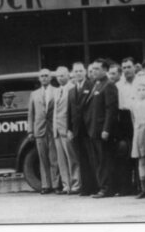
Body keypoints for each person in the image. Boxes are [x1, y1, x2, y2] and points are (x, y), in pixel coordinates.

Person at [84, 59, 119, 198]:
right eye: (92, 69)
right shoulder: (95, 84)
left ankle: (107, 188)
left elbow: (111, 110)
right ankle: (102, 186)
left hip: (101, 130)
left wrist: (106, 129)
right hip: (92, 129)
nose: (94, 71)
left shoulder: (108, 85)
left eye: (97, 69)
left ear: (105, 70)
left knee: (105, 160)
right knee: (98, 160)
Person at [27, 69, 60, 194]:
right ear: (39, 79)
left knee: (54, 158)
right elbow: (31, 114)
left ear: (50, 78)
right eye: (42, 76)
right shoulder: (34, 94)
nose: (44, 78)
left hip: (53, 129)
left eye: (46, 76)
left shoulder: (56, 91)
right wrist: (30, 131)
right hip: (39, 130)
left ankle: (56, 184)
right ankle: (46, 185)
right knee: (43, 158)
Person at [70, 61, 97, 196]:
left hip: (88, 129)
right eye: (76, 71)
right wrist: (70, 129)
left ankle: (95, 187)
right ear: (72, 73)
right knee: (82, 160)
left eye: (80, 71)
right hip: (77, 131)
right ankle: (86, 187)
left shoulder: (91, 86)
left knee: (92, 159)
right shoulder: (72, 90)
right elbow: (70, 112)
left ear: (85, 72)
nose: (78, 73)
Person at [53, 66, 81, 195]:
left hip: (67, 128)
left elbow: (73, 111)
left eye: (62, 75)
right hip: (57, 130)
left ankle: (76, 184)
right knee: (61, 160)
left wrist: (71, 129)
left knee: (72, 158)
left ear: (68, 76)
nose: (60, 78)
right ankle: (66, 185)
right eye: (58, 76)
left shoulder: (72, 88)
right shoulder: (57, 91)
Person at [115, 58, 138, 196]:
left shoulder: (142, 82)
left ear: (134, 67)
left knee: (140, 153)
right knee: (125, 152)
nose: (127, 70)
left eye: (129, 67)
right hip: (124, 118)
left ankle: (141, 185)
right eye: (124, 68)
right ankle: (126, 186)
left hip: (139, 116)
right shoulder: (118, 85)